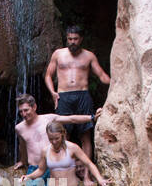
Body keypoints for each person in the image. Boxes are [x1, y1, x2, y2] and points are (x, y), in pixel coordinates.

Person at [44, 24, 110, 162]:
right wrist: (52, 92)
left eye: (75, 39)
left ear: (81, 39)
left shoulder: (89, 56)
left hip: (82, 96)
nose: (72, 42)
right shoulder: (58, 54)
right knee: (63, 134)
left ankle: (86, 174)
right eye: (69, 39)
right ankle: (65, 169)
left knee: (85, 135)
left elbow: (102, 76)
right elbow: (48, 75)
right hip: (63, 96)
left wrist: (117, 82)